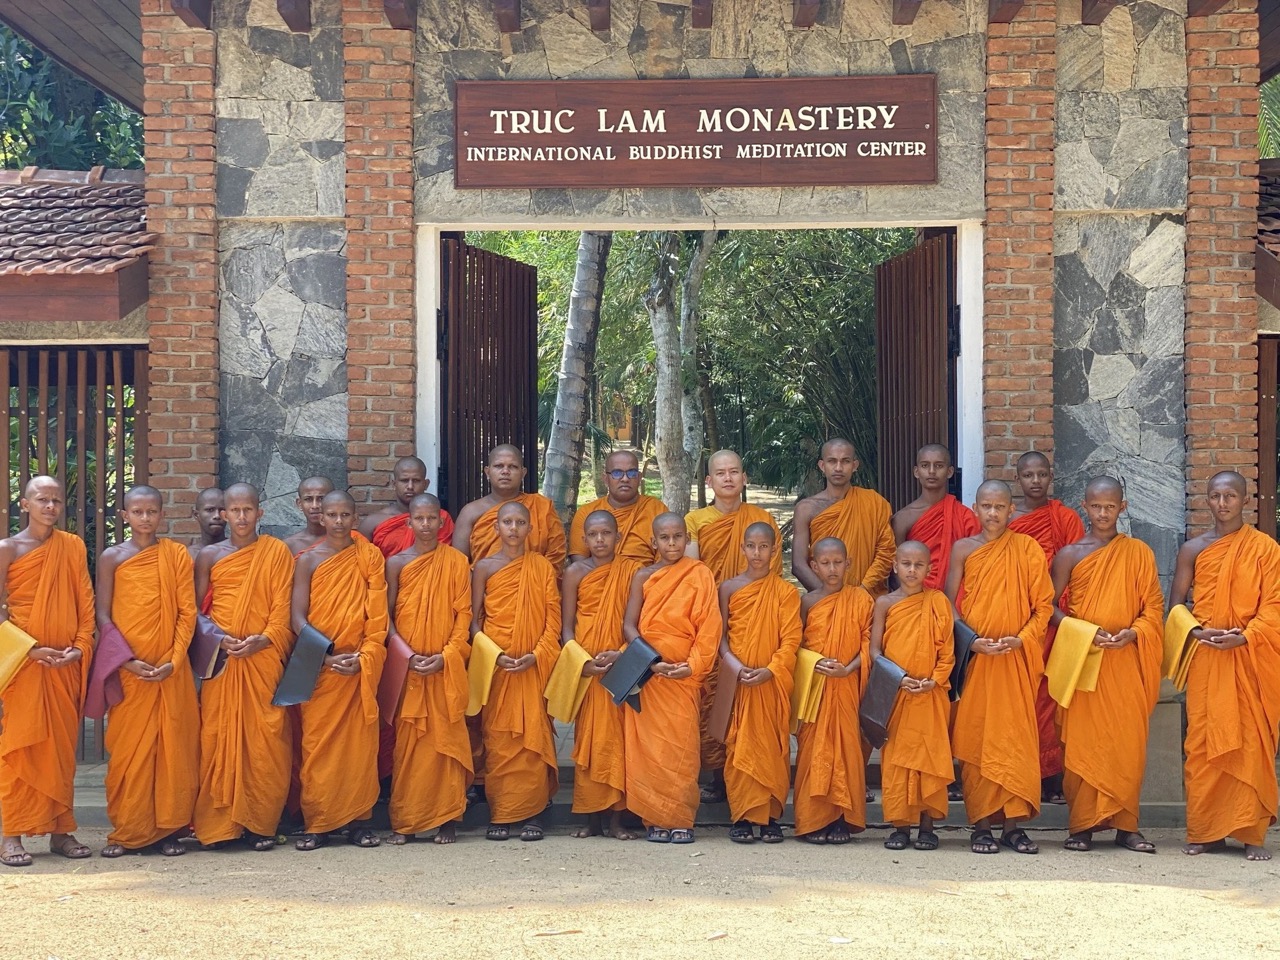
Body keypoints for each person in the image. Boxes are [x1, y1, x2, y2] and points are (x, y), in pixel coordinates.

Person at [1169, 471, 1280, 862]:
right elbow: (1176, 606)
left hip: (1249, 657)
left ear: (1245, 500)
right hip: (1208, 656)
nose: (1222, 504)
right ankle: (1206, 831)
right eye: (1215, 496)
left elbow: (1274, 605)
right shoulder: (1193, 549)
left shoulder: (1265, 549)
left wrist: (1246, 637)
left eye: (1230, 496)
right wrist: (1197, 631)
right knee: (1202, 744)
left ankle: (1251, 833)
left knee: (1250, 741)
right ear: (1207, 500)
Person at [1050, 477, 1162, 854]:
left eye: (1110, 507)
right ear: (1084, 506)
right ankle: (1082, 826)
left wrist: (1134, 632)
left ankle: (1127, 826)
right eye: (1096, 506)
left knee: (1126, 745)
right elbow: (1047, 609)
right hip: (1086, 661)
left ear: (1122, 508)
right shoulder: (1070, 554)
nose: (1102, 513)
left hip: (1125, 661)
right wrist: (1084, 632)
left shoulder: (1139, 553)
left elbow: (1154, 607)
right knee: (1084, 744)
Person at [945, 479, 1052, 855]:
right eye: (986, 506)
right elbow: (948, 604)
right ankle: (981, 826)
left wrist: (1021, 639)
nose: (993, 513)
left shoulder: (1027, 549)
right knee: (977, 738)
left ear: (1011, 510)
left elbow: (1043, 606)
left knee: (1014, 739)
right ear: (975, 509)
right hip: (978, 661)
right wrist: (971, 641)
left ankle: (1012, 827)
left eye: (999, 507)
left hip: (1014, 660)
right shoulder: (963, 549)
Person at [96, 486, 199, 858]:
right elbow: (103, 615)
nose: (145, 518)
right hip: (131, 670)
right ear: (125, 516)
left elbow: (187, 612)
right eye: (137, 512)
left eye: (151, 511)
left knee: (174, 750)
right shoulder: (112, 557)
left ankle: (168, 831)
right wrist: (124, 661)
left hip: (171, 669)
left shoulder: (175, 555)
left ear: (161, 514)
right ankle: (129, 831)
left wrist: (174, 659)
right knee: (129, 752)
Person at [191, 483, 295, 851]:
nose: (241, 517)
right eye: (234, 510)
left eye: (247, 510)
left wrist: (264, 639)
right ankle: (221, 827)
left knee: (268, 738)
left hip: (263, 659)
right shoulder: (210, 556)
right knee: (218, 736)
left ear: (259, 513)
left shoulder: (276, 553)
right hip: (223, 661)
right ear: (224, 514)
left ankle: (261, 825)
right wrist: (219, 639)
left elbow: (283, 607)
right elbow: (196, 611)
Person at [0, 477, 95, 867]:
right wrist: (30, 650)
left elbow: (85, 602)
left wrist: (80, 647)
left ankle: (61, 831)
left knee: (60, 752)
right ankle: (10, 834)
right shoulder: (8, 549)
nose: (51, 506)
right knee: (19, 748)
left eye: (56, 500)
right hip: (25, 666)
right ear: (25, 504)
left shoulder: (72, 547)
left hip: (63, 667)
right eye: (42, 499)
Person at [290, 490, 388, 851]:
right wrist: (327, 655)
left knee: (359, 751)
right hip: (322, 668)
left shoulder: (369, 556)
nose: (338, 521)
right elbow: (297, 617)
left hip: (359, 666)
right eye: (331, 515)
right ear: (321, 517)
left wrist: (365, 655)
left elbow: (377, 614)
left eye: (345, 515)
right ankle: (318, 823)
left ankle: (360, 822)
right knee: (318, 747)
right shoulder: (308, 561)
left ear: (355, 518)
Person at [683, 449, 780, 803]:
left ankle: (752, 776)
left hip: (754, 618)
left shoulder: (761, 520)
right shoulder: (695, 521)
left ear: (744, 477)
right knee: (713, 698)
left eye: (734, 471)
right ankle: (719, 777)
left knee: (751, 702)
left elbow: (771, 573)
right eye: (721, 473)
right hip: (710, 617)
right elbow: (693, 575)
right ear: (709, 481)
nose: (728, 478)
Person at [622, 513, 722, 844]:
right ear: (653, 542)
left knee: (681, 748)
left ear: (687, 539)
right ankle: (655, 818)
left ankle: (680, 819)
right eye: (664, 538)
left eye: (678, 537)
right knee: (650, 749)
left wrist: (692, 666)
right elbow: (629, 626)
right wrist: (650, 661)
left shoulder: (700, 574)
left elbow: (709, 627)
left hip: (683, 677)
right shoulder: (643, 576)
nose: (672, 543)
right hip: (650, 676)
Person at [385, 494, 472, 845]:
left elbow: (464, 615)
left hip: (444, 666)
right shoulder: (396, 563)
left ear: (441, 522)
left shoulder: (456, 562)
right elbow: (387, 617)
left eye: (431, 518)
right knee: (409, 746)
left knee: (446, 742)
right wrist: (406, 656)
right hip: (410, 668)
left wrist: (447, 655)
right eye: (419, 518)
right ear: (409, 522)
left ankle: (447, 819)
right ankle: (406, 821)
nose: (425, 524)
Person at [471, 501, 561, 842]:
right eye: (507, 522)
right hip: (498, 668)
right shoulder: (484, 568)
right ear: (496, 528)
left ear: (530, 529)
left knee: (533, 738)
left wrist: (537, 655)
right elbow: (473, 622)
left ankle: (534, 811)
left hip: (532, 666)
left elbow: (553, 619)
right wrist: (493, 655)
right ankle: (503, 812)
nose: (513, 528)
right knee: (500, 739)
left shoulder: (541, 566)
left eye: (520, 522)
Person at [1009, 451, 1085, 805]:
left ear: (1050, 477)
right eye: (1028, 475)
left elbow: (1080, 569)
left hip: (1056, 620)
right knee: (1020, 699)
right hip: (1018, 620)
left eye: (1041, 474)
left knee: (1051, 698)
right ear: (1018, 479)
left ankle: (1052, 778)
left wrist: (1058, 611)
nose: (1035, 481)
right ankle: (1020, 774)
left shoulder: (1064, 518)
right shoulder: (1007, 521)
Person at [719, 522, 801, 844]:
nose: (757, 553)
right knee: (738, 745)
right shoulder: (728, 588)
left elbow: (791, 639)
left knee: (771, 747)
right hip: (738, 681)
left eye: (764, 546)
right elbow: (720, 637)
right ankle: (741, 816)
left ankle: (770, 818)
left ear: (774, 549)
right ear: (742, 548)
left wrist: (771, 669)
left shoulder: (785, 592)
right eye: (751, 546)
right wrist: (735, 666)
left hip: (770, 683)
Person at [561, 510, 641, 840]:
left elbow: (638, 622)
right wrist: (581, 661)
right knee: (590, 742)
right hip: (589, 669)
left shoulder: (632, 572)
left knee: (619, 743)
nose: (599, 540)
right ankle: (591, 818)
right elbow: (567, 628)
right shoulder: (574, 573)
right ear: (584, 539)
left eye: (606, 533)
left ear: (618, 537)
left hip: (622, 668)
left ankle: (618, 820)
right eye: (593, 535)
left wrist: (622, 653)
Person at [870, 540, 954, 852]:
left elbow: (948, 651)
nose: (912, 570)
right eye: (906, 564)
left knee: (928, 760)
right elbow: (875, 651)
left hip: (930, 695)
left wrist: (935, 680)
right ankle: (900, 827)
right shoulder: (885, 603)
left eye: (919, 565)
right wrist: (898, 678)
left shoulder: (938, 601)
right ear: (894, 566)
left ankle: (927, 827)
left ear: (929, 569)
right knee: (897, 762)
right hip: (897, 693)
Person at [793, 537, 872, 845]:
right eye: (825, 563)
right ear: (814, 566)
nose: (832, 569)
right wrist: (814, 662)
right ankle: (812, 820)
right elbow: (796, 645)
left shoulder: (861, 599)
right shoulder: (807, 602)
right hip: (816, 688)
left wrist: (848, 668)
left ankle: (841, 819)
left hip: (847, 685)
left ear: (848, 564)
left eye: (838, 562)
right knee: (814, 751)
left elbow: (869, 644)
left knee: (846, 750)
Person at [791, 439, 895, 594]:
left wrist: (862, 591)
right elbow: (799, 565)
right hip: (824, 600)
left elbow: (886, 552)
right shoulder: (806, 509)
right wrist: (830, 597)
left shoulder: (874, 503)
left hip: (866, 598)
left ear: (854, 465)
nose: (838, 468)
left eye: (845, 461)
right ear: (822, 466)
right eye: (832, 461)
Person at [453, 444, 566, 570]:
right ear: (487, 472)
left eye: (513, 466)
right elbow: (459, 565)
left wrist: (536, 578)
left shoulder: (542, 507)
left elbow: (556, 556)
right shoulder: (470, 512)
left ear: (523, 473)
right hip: (484, 582)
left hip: (537, 581)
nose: (505, 471)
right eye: (499, 466)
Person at [891, 444, 979, 590]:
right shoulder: (903, 518)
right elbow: (896, 571)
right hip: (916, 597)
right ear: (916, 472)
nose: (931, 471)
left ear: (949, 472)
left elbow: (976, 564)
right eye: (925, 465)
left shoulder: (965, 516)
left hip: (956, 596)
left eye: (939, 466)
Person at [568, 450, 664, 565]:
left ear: (639, 477)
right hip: (598, 575)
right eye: (617, 473)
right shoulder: (587, 513)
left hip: (648, 575)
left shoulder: (657, 510)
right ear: (605, 479)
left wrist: (640, 574)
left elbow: (666, 561)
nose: (625, 479)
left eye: (632, 473)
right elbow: (579, 565)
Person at [358, 456, 455, 556]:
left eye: (416, 480)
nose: (410, 486)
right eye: (404, 480)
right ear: (394, 484)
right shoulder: (371, 523)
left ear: (426, 484)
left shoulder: (441, 518)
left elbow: (450, 558)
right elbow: (362, 561)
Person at [283, 477, 335, 556]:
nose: (315, 506)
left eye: (321, 499)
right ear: (300, 504)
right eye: (308, 499)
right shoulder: (288, 546)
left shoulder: (349, 541)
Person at [188, 487, 226, 561]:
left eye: (222, 510)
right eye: (210, 510)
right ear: (196, 515)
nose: (217, 516)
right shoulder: (188, 555)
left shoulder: (239, 553)